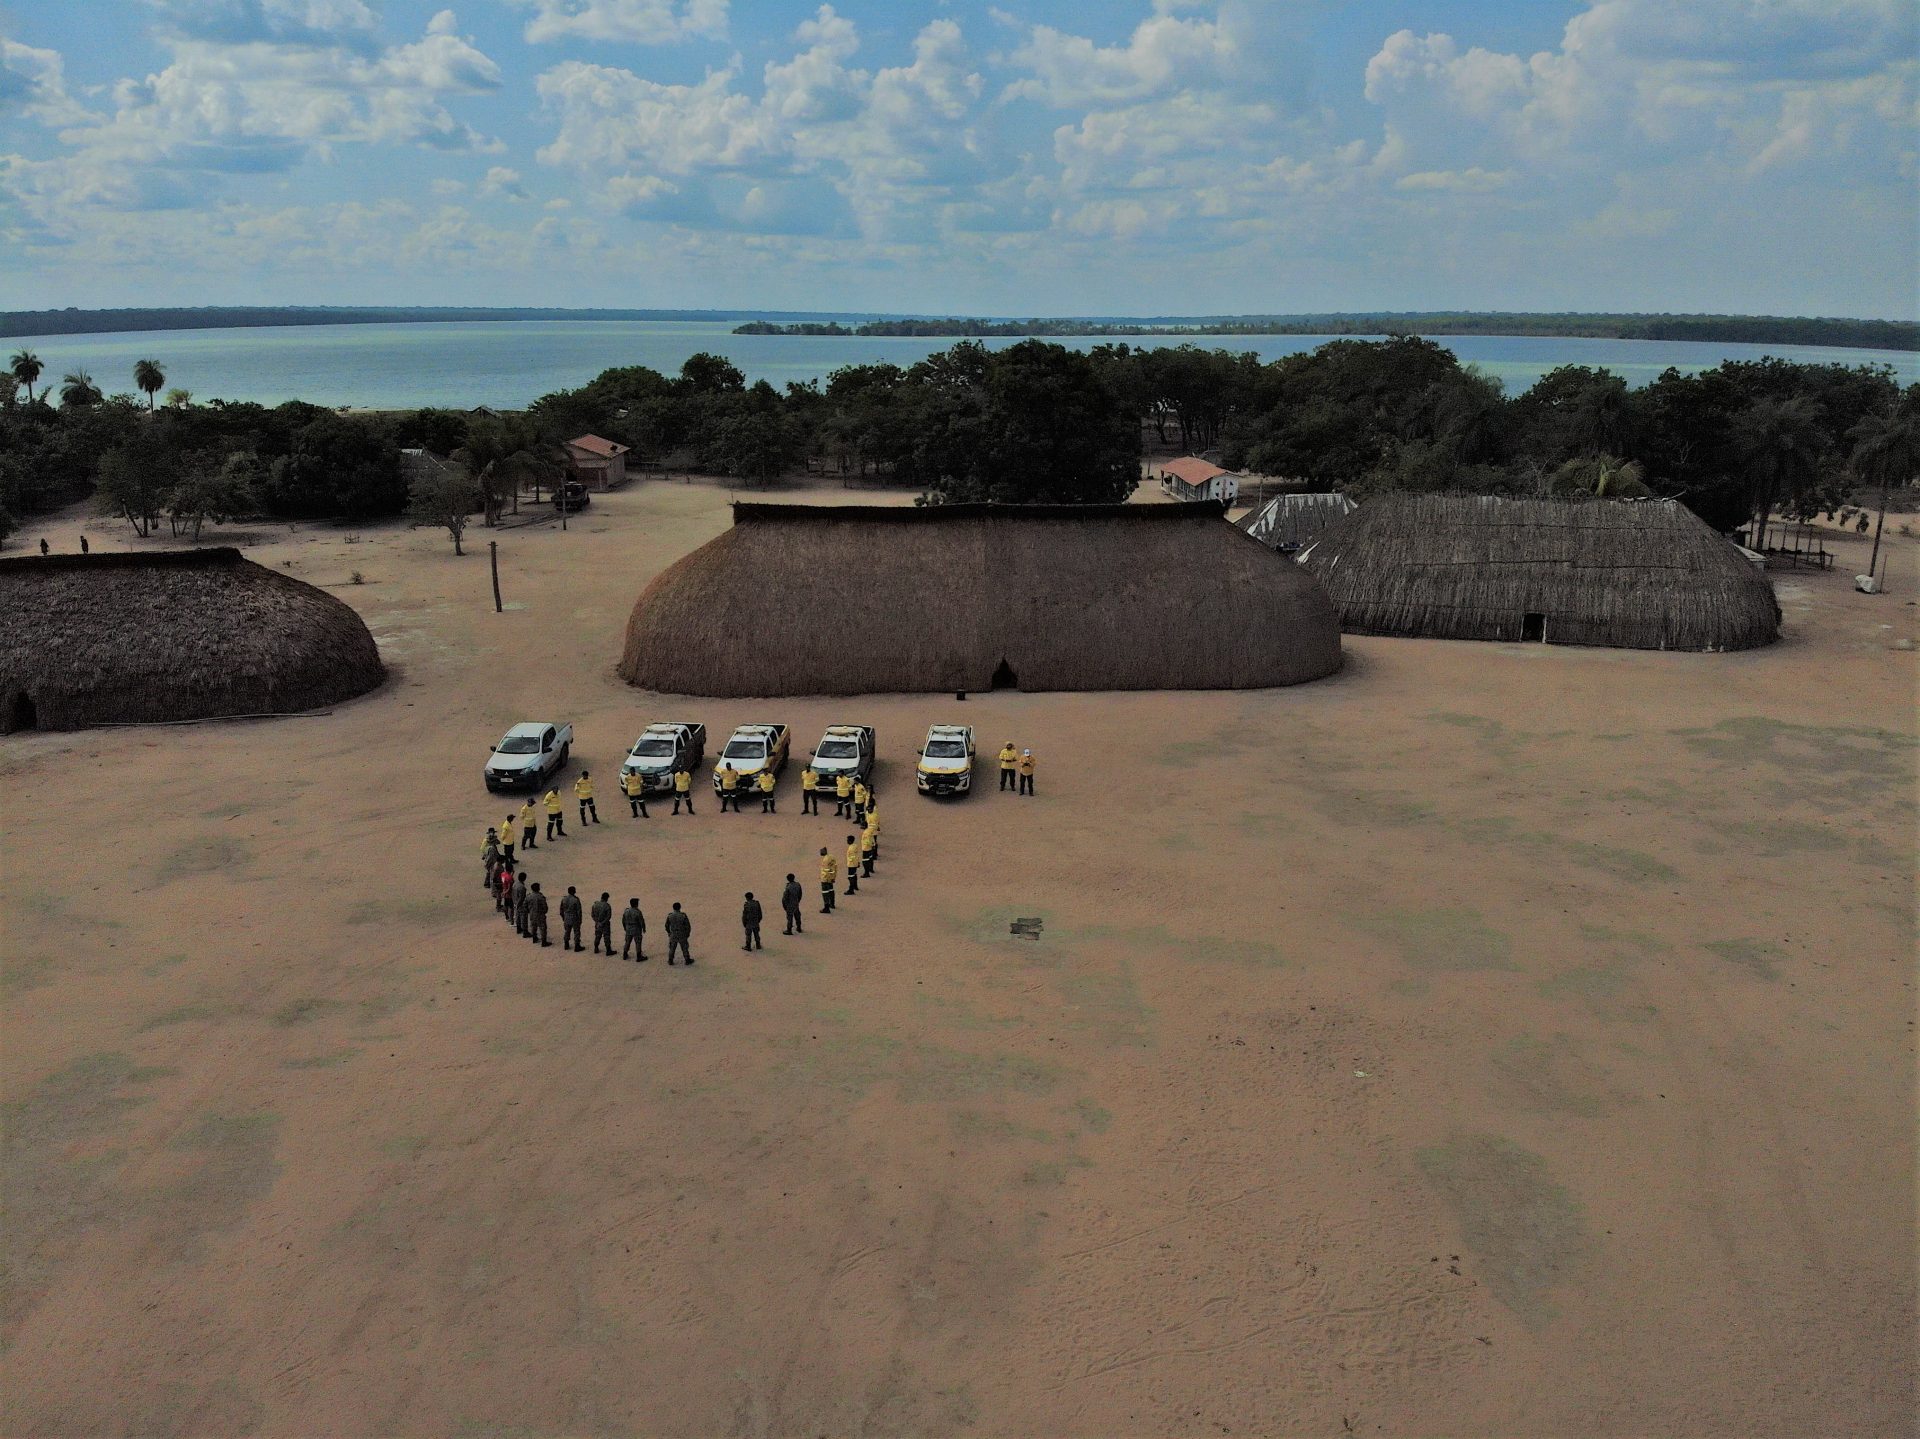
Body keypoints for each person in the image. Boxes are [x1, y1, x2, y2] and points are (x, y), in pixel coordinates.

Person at [559, 885, 584, 952]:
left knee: (567, 931)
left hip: (566, 917)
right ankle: (577, 945)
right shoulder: (576, 900)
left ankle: (566, 944)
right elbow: (579, 911)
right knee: (576, 932)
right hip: (574, 917)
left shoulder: (564, 899)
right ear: (573, 891)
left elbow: (561, 910)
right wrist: (580, 920)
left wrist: (563, 917)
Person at [528, 882, 551, 947]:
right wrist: (544, 912)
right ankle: (544, 942)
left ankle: (534, 938)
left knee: (533, 926)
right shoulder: (541, 897)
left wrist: (529, 911)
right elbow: (545, 907)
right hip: (540, 914)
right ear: (538, 889)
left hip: (532, 914)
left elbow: (525, 905)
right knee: (542, 928)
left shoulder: (529, 896)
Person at [819, 847, 837, 913]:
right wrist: (833, 877)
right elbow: (834, 867)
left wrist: (825, 879)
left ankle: (826, 907)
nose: (820, 853)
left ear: (824, 851)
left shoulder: (825, 860)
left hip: (825, 878)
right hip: (831, 877)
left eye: (821, 851)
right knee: (831, 890)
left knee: (825, 892)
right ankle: (832, 904)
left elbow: (826, 870)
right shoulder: (832, 857)